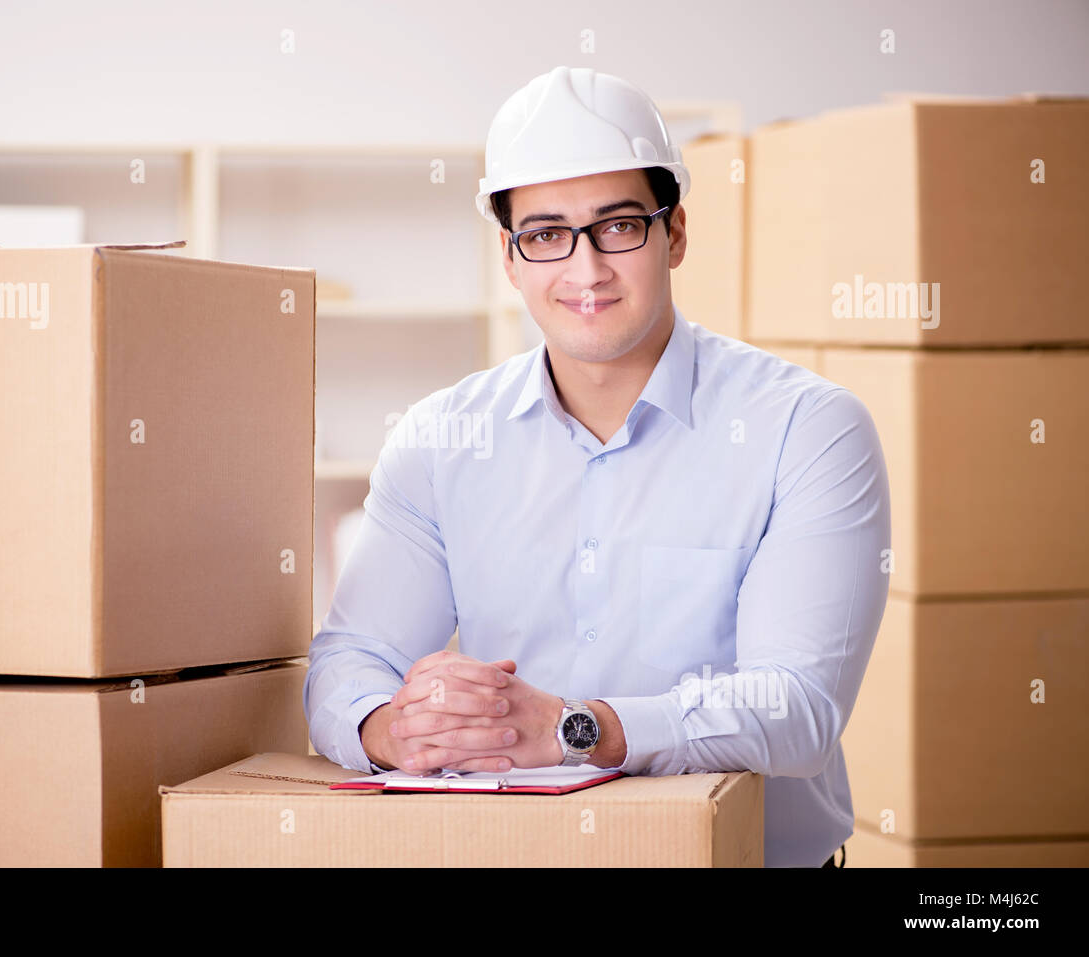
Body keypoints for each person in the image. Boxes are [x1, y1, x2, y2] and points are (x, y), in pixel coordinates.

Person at [303, 65, 889, 868]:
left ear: (675, 231)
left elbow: (799, 707)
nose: (585, 272)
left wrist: (577, 726)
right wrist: (391, 726)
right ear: (511, 259)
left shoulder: (807, 428)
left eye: (618, 226)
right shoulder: (441, 440)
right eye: (545, 235)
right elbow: (348, 660)